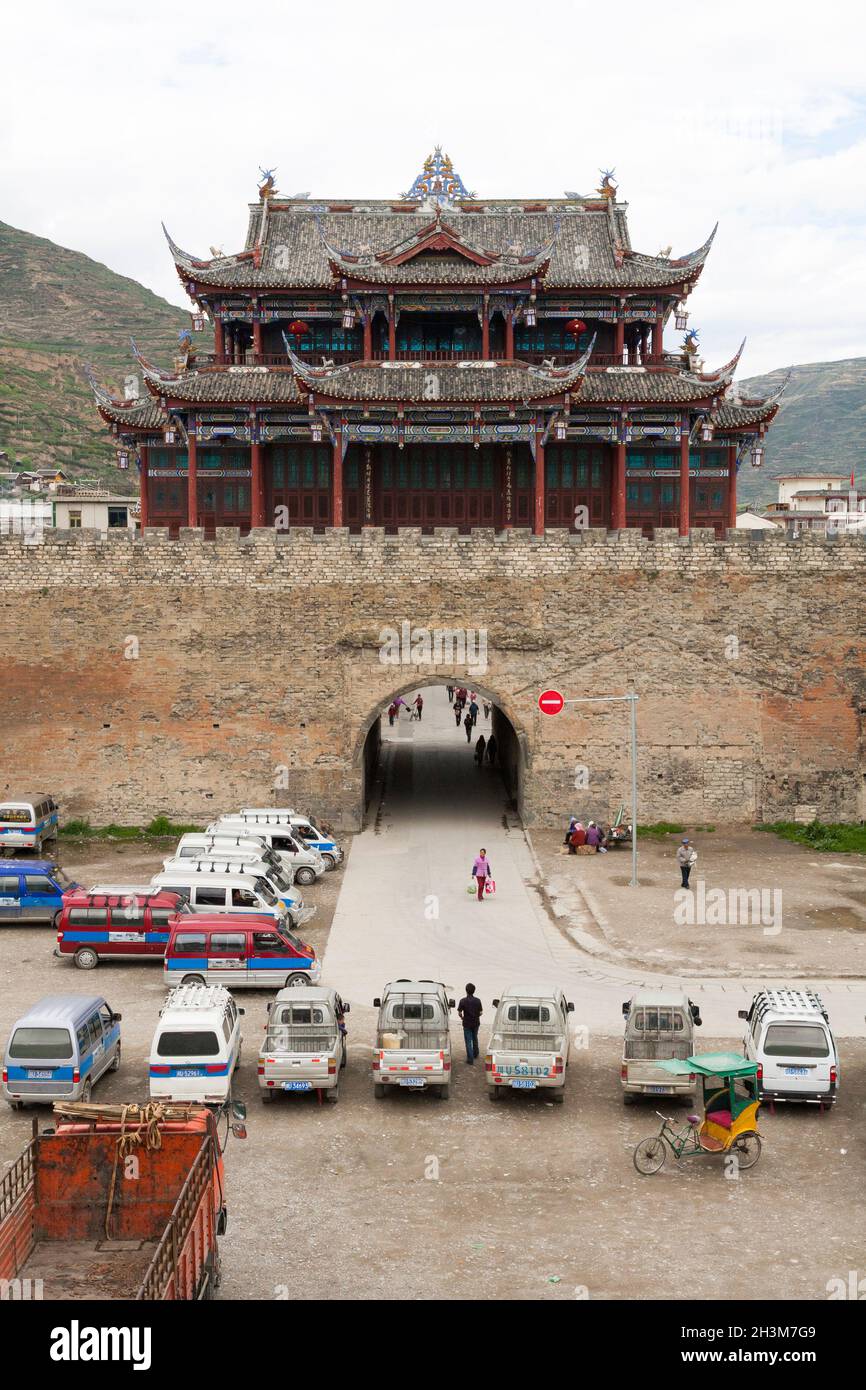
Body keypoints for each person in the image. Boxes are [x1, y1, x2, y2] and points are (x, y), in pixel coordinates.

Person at [458, 984, 483, 1064]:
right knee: (475, 1037)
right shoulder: (478, 1000)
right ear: (474, 991)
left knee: (468, 1041)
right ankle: (476, 1053)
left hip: (467, 1023)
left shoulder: (462, 1001)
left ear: (466, 990)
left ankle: (470, 1059)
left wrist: (462, 1017)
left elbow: (459, 1012)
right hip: (476, 1023)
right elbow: (481, 1012)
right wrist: (476, 1016)